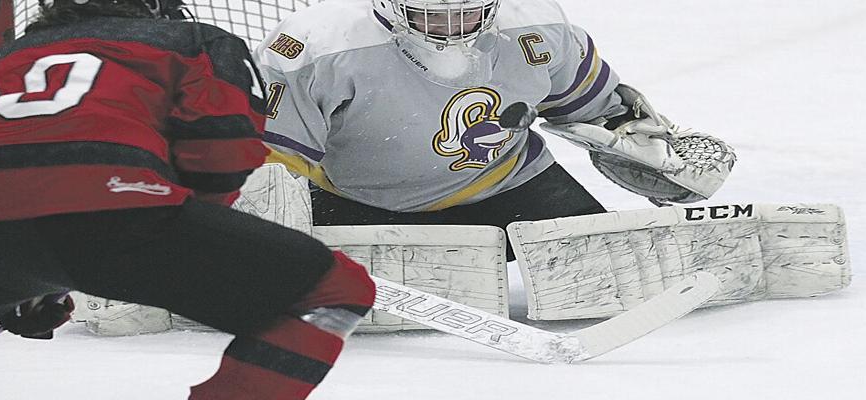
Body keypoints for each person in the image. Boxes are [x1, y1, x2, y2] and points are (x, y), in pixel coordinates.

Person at [0, 0, 375, 400]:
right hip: (118, 215)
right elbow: (221, 158)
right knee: (334, 289)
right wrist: (163, 244)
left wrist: (27, 279)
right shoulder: (194, 41)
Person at [257, 0, 732, 246]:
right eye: (433, 14)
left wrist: (646, 151)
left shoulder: (539, 28)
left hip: (507, 186)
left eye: (469, 11)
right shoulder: (317, 46)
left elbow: (598, 110)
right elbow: (272, 164)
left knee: (612, 270)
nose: (455, 27)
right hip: (352, 200)